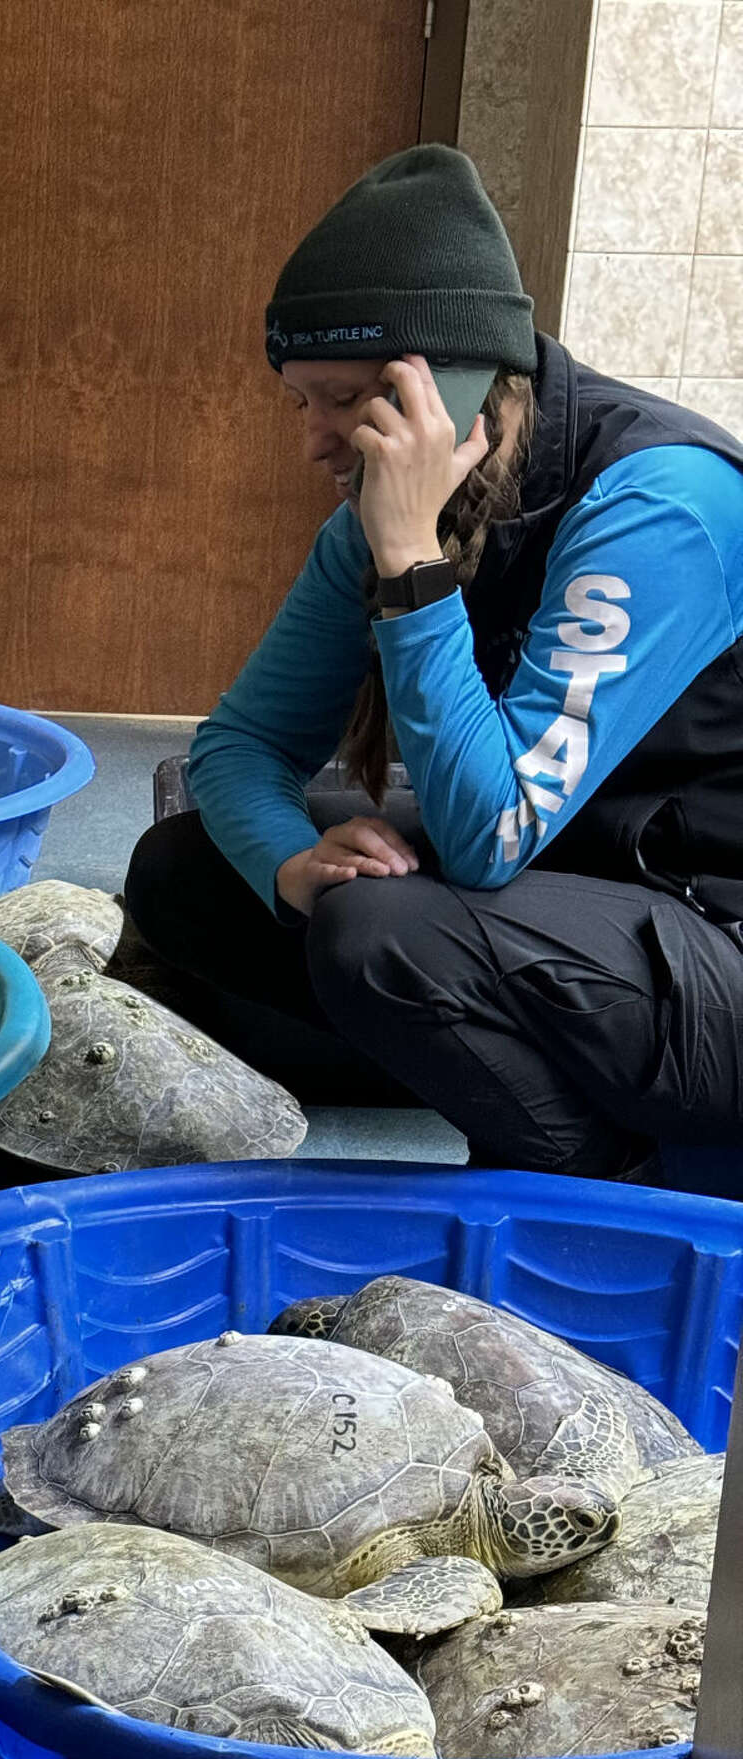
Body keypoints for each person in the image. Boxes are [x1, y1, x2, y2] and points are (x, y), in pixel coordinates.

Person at [122, 144, 743, 1180]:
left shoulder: (659, 503)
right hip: (579, 893)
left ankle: (608, 1188)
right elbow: (239, 748)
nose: (315, 441)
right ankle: (475, 1054)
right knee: (184, 871)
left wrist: (412, 566)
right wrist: (288, 865)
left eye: (345, 399)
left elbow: (490, 832)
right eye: (300, 401)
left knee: (382, 936)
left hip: (709, 933)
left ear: (453, 392)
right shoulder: (382, 517)